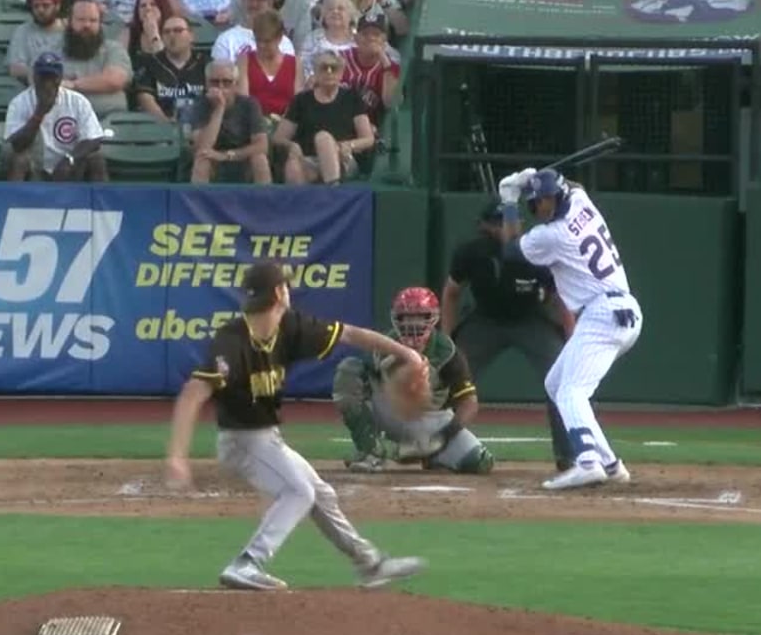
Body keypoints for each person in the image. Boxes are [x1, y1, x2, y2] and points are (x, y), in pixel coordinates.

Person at [163, 260, 428, 592]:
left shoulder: (289, 327)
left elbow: (349, 334)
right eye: (285, 285)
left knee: (320, 494)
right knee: (297, 491)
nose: (289, 290)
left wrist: (407, 353)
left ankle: (370, 564)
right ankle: (248, 563)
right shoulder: (233, 340)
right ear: (277, 292)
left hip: (266, 440)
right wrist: (177, 456)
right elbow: (193, 393)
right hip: (242, 441)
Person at [495, 168, 640, 492]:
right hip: (616, 310)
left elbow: (510, 250)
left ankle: (587, 463)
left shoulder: (553, 235)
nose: (538, 209)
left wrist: (508, 200)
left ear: (551, 199)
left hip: (603, 312)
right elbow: (575, 186)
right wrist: (542, 175)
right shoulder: (580, 202)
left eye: (540, 202)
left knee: (572, 392)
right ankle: (610, 464)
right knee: (556, 383)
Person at [442, 203, 573, 470]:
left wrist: (572, 338)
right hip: (485, 320)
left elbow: (561, 297)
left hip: (531, 319)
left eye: (511, 222)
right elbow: (451, 293)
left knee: (563, 379)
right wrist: (447, 339)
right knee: (449, 376)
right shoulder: (472, 252)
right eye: (499, 222)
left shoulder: (537, 252)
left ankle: (570, 455)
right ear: (486, 226)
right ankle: (439, 449)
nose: (507, 228)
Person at [332, 286, 494, 474]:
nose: (412, 324)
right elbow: (359, 381)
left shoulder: (447, 352)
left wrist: (444, 436)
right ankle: (370, 451)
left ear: (432, 318)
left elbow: (469, 403)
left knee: (479, 462)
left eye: (419, 317)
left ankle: (433, 456)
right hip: (391, 412)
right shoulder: (384, 344)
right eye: (406, 318)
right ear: (396, 319)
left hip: (431, 419)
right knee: (349, 369)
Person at [273, 49, 375, 184]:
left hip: (342, 157)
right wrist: (291, 145)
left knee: (323, 138)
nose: (329, 72)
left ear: (341, 73)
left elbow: (368, 138)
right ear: (315, 73)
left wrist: (350, 145)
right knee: (293, 165)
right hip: (310, 160)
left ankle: (332, 189)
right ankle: (298, 203)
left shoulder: (352, 98)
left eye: (333, 68)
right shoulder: (301, 100)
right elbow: (278, 138)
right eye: (323, 68)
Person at [3, 52, 109, 181]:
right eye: (43, 77)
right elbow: (17, 146)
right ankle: (14, 201)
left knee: (96, 159)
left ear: (60, 78)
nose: (48, 83)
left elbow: (94, 140)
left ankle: (99, 201)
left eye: (52, 77)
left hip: (71, 167)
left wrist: (70, 159)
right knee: (18, 160)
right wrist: (39, 113)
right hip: (35, 167)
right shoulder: (19, 102)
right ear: (34, 77)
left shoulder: (77, 101)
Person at [189, 59, 271, 183]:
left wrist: (227, 156)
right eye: (215, 82)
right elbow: (203, 147)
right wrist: (219, 109)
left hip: (243, 159)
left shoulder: (249, 104)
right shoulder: (200, 104)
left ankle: (265, 201)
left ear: (235, 84)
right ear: (207, 84)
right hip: (212, 161)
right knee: (201, 161)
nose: (220, 87)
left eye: (226, 82)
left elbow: (262, 146)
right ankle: (197, 202)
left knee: (260, 160)